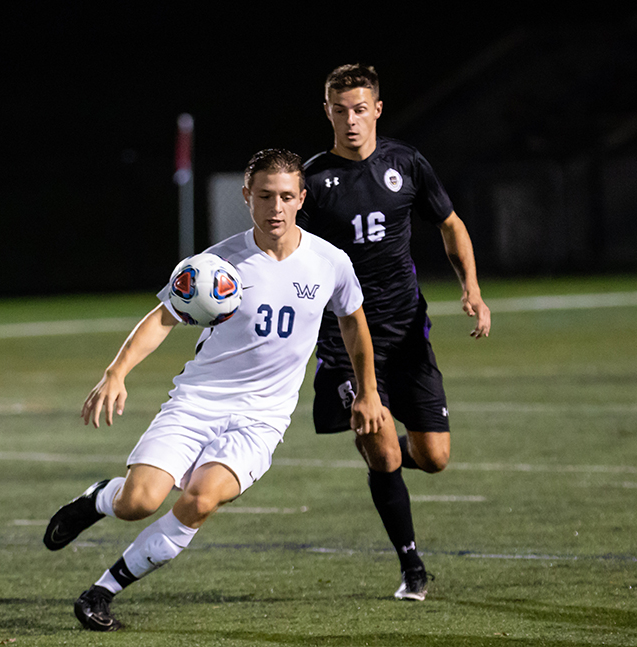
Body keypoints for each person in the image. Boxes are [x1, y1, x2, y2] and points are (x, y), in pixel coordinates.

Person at [43, 148, 386, 632]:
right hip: (197, 402)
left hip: (262, 418)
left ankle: (102, 592)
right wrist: (116, 372)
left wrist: (368, 391)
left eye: (286, 196)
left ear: (302, 198)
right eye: (264, 196)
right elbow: (163, 317)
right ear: (247, 197)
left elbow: (354, 323)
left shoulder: (330, 262)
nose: (275, 208)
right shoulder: (216, 264)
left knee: (200, 500)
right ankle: (98, 500)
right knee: (138, 503)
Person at [296, 63, 492, 601]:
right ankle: (411, 566)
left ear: (377, 109)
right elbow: (287, 257)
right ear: (328, 113)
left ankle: (378, 442)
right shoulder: (312, 183)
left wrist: (471, 288)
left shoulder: (405, 163)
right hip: (345, 342)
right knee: (383, 456)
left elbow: (450, 224)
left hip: (407, 333)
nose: (351, 121)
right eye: (341, 111)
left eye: (361, 110)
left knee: (434, 458)